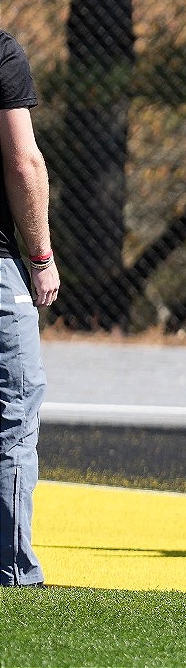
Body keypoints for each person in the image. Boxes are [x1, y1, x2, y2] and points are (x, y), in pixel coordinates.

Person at [0, 29, 60, 588]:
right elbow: (24, 162)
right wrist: (41, 257)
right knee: (14, 414)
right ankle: (14, 571)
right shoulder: (1, 51)